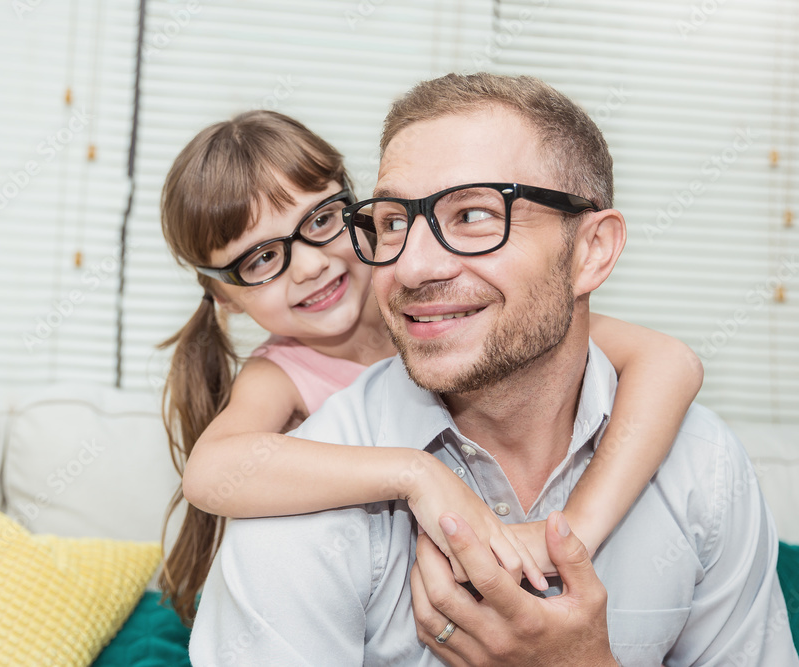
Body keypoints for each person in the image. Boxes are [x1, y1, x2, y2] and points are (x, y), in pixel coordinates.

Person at [187, 75, 799, 666]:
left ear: (592, 251)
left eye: (475, 214)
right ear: (226, 298)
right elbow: (214, 469)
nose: (415, 267)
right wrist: (415, 472)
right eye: (396, 221)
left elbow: (672, 360)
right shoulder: (299, 502)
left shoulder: (704, 470)